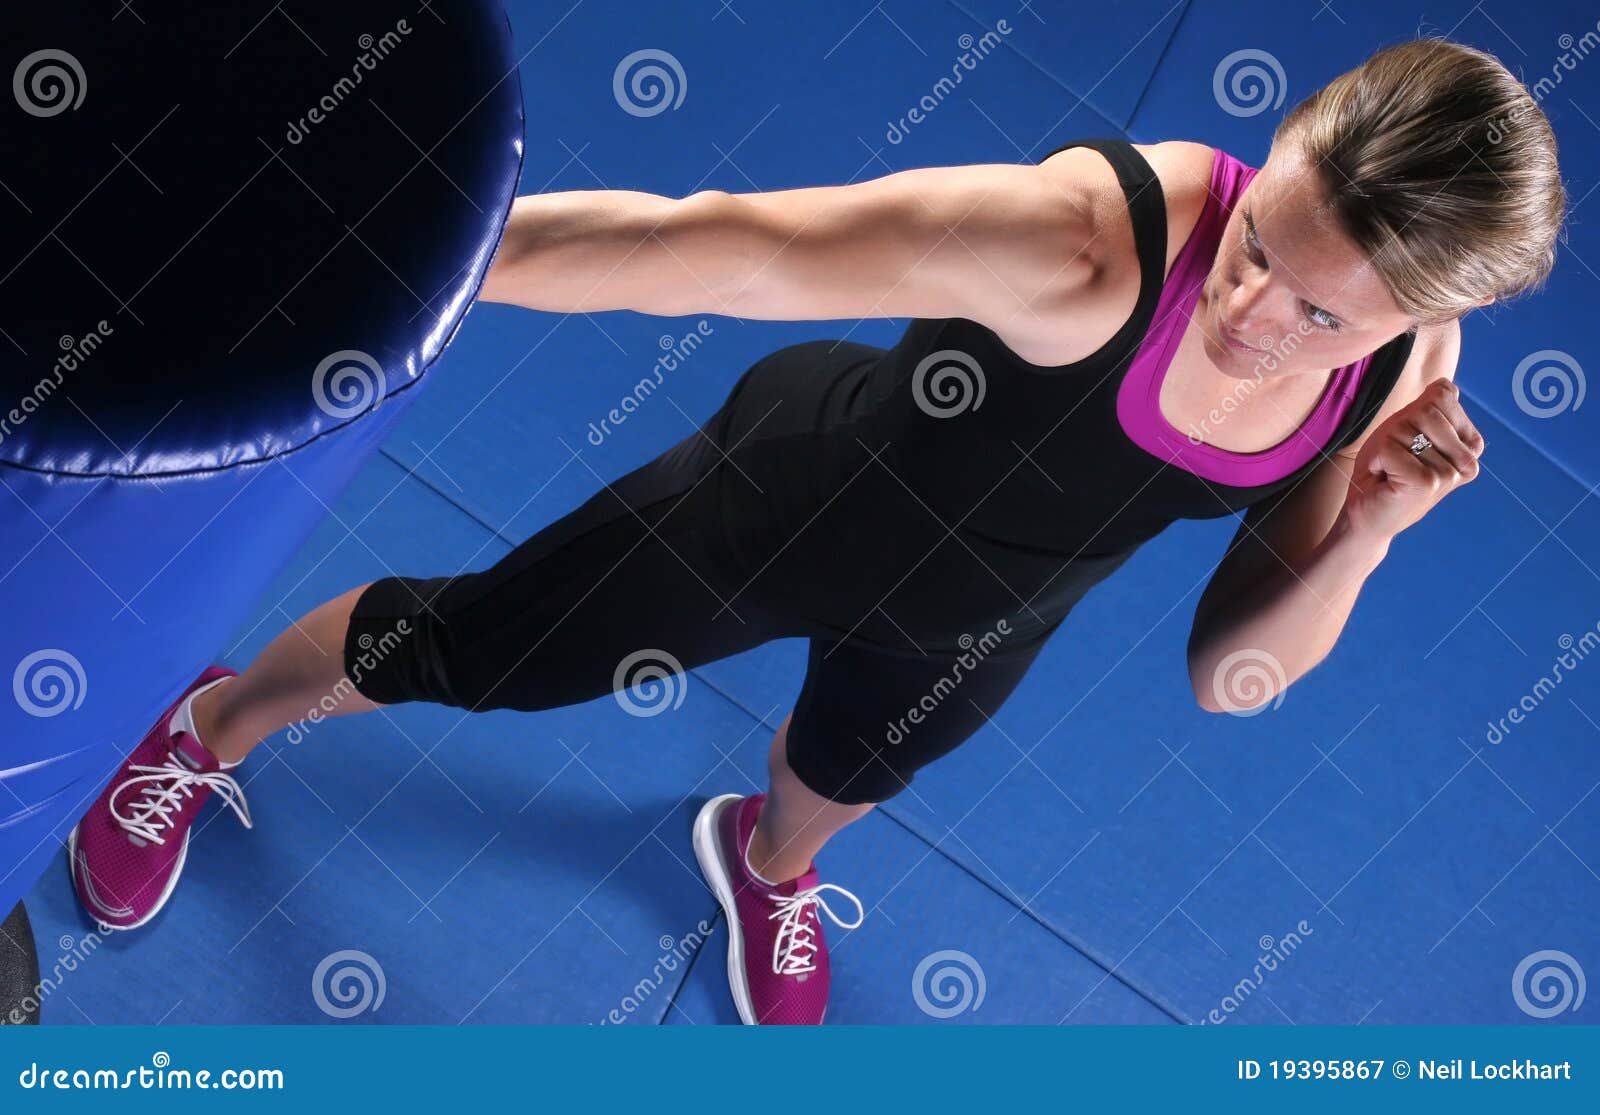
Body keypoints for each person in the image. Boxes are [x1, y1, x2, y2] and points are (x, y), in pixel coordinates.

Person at [66, 38, 1564, 1025]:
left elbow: (1230, 673)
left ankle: (763, 864)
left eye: (1315, 312)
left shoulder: (1406, 378)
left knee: (854, 768)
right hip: (787, 507)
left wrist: (1367, 527)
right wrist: (384, 263)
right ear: (1280, 149)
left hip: (979, 621)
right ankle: (209, 724)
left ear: (1442, 313)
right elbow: (706, 243)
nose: (1249, 318)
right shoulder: (1087, 246)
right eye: (1252, 246)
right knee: (459, 649)